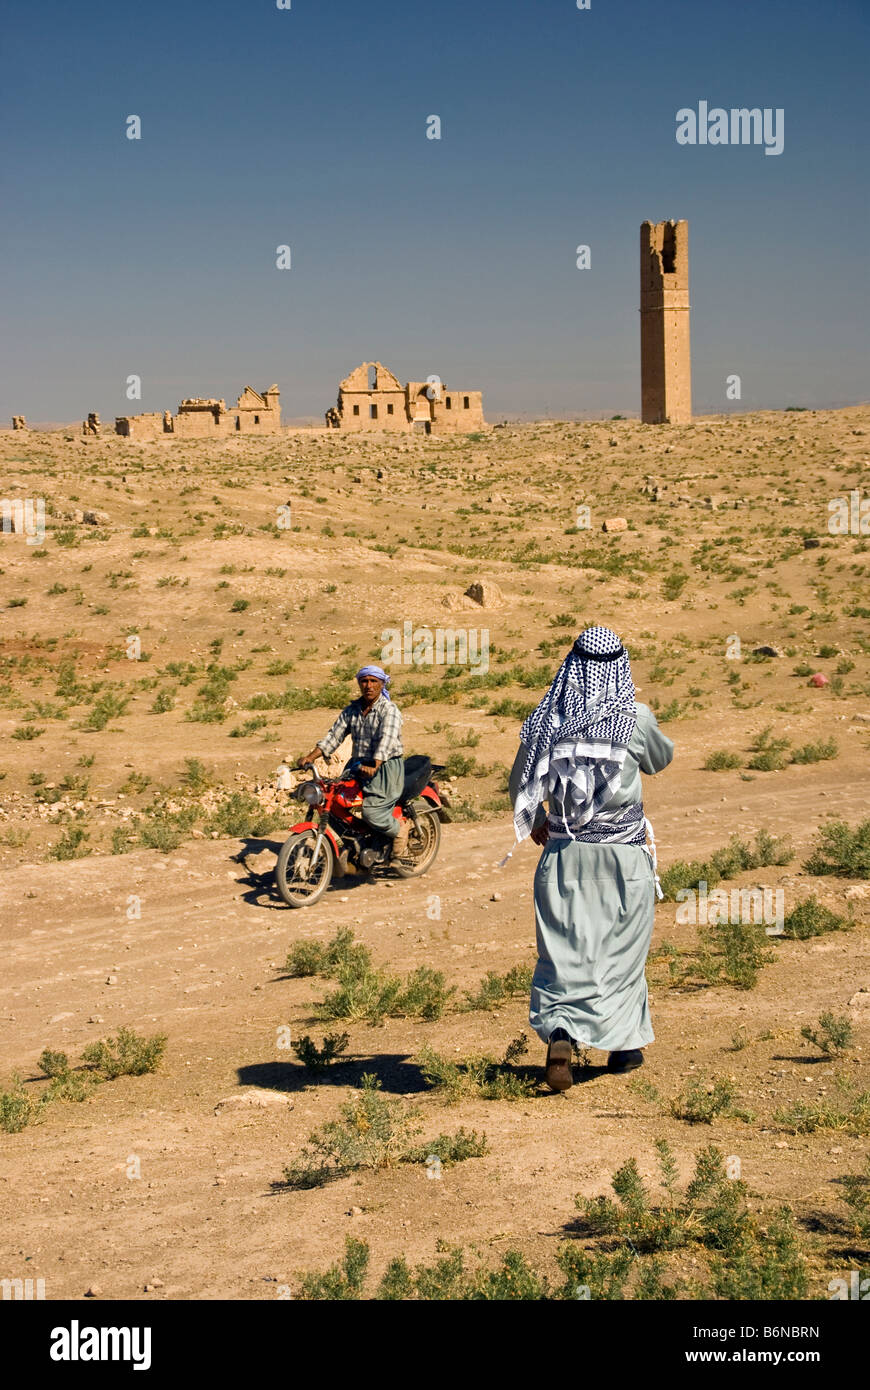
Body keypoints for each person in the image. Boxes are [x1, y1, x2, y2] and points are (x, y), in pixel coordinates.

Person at [508, 625, 673, 1091]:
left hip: (563, 856)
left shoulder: (546, 718)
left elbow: (521, 779)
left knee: (565, 951)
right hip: (621, 857)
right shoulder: (633, 718)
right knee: (621, 950)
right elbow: (659, 761)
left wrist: (538, 817)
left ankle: (561, 1033)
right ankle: (622, 1047)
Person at [300, 664, 410, 857]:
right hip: (358, 765)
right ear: (359, 684)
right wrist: (310, 757)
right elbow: (333, 737)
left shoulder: (389, 710)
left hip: (385, 768)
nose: (368, 686)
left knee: (372, 813)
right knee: (329, 799)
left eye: (373, 681)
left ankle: (400, 829)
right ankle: (357, 838)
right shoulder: (352, 710)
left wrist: (375, 763)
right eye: (364, 681)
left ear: (382, 684)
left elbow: (387, 739)